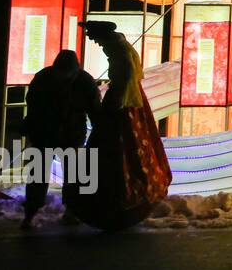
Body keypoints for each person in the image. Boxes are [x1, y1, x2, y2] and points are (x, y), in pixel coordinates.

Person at [64, 22, 172, 231]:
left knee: (119, 151)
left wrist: (117, 100)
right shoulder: (121, 47)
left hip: (122, 105)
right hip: (127, 101)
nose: (92, 39)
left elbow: (128, 75)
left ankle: (117, 197)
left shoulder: (118, 50)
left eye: (92, 35)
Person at [22, 50, 96, 228]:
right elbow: (94, 108)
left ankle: (62, 211)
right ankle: (34, 212)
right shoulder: (83, 80)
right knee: (53, 175)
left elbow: (32, 103)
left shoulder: (45, 77)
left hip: (61, 134)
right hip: (52, 133)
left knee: (58, 175)